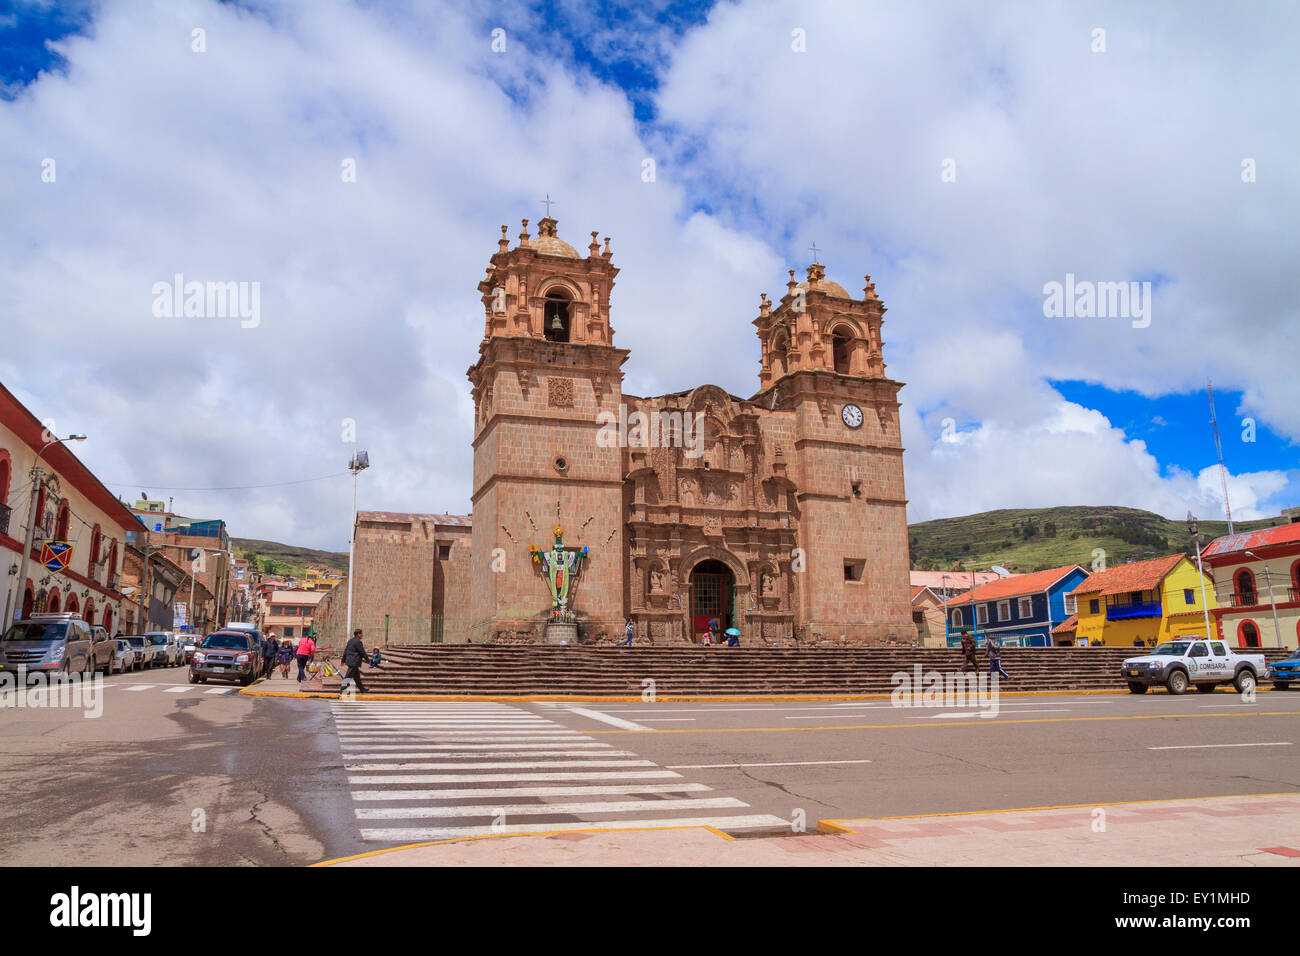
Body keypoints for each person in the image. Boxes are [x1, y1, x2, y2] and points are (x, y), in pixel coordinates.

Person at [341, 628, 369, 695]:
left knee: (357, 677)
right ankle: (342, 689)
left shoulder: (350, 641)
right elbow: (362, 651)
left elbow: (346, 650)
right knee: (348, 676)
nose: (362, 635)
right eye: (361, 634)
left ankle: (362, 689)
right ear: (358, 634)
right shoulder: (358, 642)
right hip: (354, 661)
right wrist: (368, 660)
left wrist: (343, 660)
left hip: (351, 661)